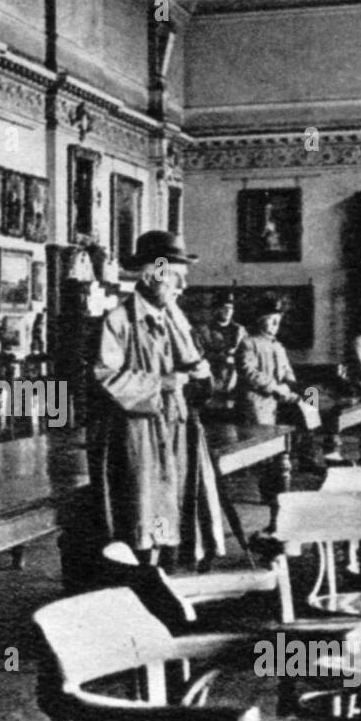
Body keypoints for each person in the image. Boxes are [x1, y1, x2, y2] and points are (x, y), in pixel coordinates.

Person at [90, 230, 224, 564]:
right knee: (144, 510)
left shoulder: (174, 317)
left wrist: (199, 375)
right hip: (139, 432)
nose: (183, 287)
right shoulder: (118, 321)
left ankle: (163, 575)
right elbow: (105, 378)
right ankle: (143, 582)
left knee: (171, 504)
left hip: (175, 426)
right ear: (154, 274)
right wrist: (161, 382)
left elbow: (195, 371)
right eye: (177, 277)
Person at [191, 292, 245, 418]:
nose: (227, 311)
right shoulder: (204, 330)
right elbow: (198, 355)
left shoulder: (239, 331)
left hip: (233, 383)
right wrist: (221, 357)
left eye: (230, 308)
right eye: (224, 308)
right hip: (211, 382)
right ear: (217, 309)